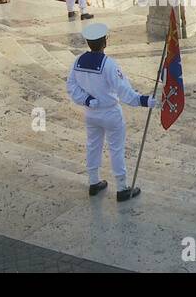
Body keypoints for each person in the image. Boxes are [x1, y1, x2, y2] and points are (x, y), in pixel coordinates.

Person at [66, 23, 155, 202]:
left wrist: (86, 100)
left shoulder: (78, 61)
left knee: (93, 146)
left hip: (91, 113)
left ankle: (93, 182)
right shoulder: (109, 65)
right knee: (116, 149)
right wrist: (142, 100)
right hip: (110, 113)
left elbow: (71, 86)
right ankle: (122, 187)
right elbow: (123, 90)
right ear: (104, 42)